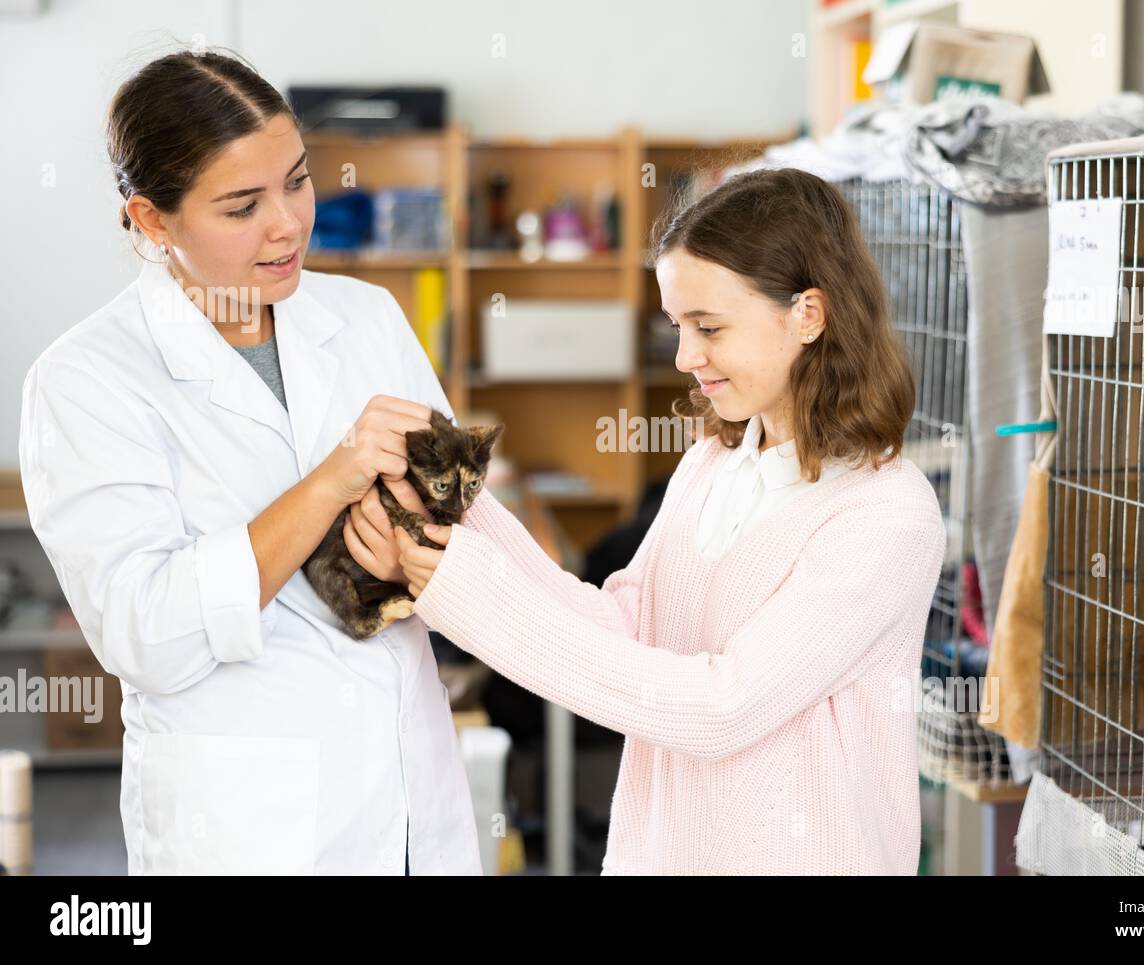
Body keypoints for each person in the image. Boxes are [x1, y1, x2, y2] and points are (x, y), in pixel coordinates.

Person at [394, 167, 947, 874]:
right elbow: (623, 622)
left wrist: (459, 585)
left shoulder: (885, 514)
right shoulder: (714, 463)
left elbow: (721, 707)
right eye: (678, 327)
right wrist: (457, 507)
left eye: (708, 327)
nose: (686, 358)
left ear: (808, 314)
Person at [18, 49, 479, 874]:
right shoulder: (87, 379)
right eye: (242, 206)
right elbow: (146, 631)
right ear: (153, 219)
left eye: (297, 181)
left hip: (414, 801)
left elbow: (455, 537)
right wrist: (332, 480)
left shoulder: (365, 316)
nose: (288, 225)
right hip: (251, 829)